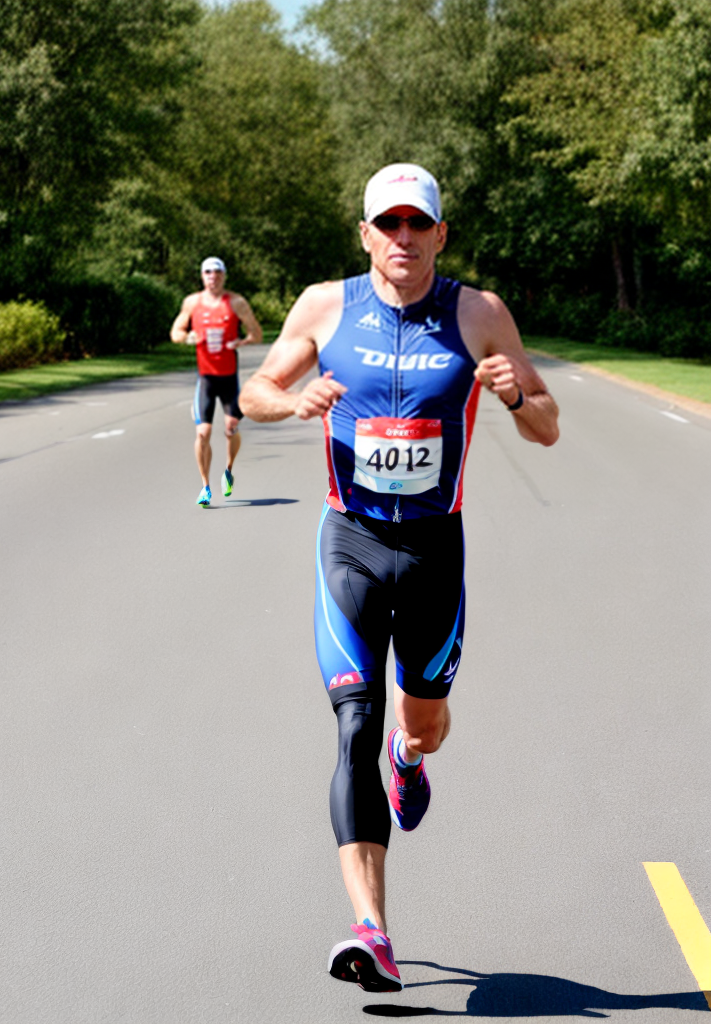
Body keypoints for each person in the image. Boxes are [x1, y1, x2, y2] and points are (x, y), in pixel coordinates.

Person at [239, 164, 559, 993]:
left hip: (432, 554)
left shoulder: (479, 313)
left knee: (421, 724)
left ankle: (409, 759)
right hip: (348, 542)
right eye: (389, 224)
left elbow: (549, 427)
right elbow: (256, 389)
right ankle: (372, 931)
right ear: (366, 234)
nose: (403, 239)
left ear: (440, 235)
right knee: (352, 720)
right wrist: (294, 399)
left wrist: (517, 394)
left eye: (419, 224)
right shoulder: (325, 305)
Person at [171, 257, 263, 506]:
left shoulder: (236, 302)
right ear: (202, 276)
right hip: (206, 378)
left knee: (231, 428)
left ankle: (228, 471)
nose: (213, 276)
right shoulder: (192, 302)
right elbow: (176, 332)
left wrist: (241, 342)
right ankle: (205, 487)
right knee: (203, 433)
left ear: (224, 276)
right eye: (208, 272)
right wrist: (191, 337)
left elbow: (257, 333)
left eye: (217, 272)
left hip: (229, 378)